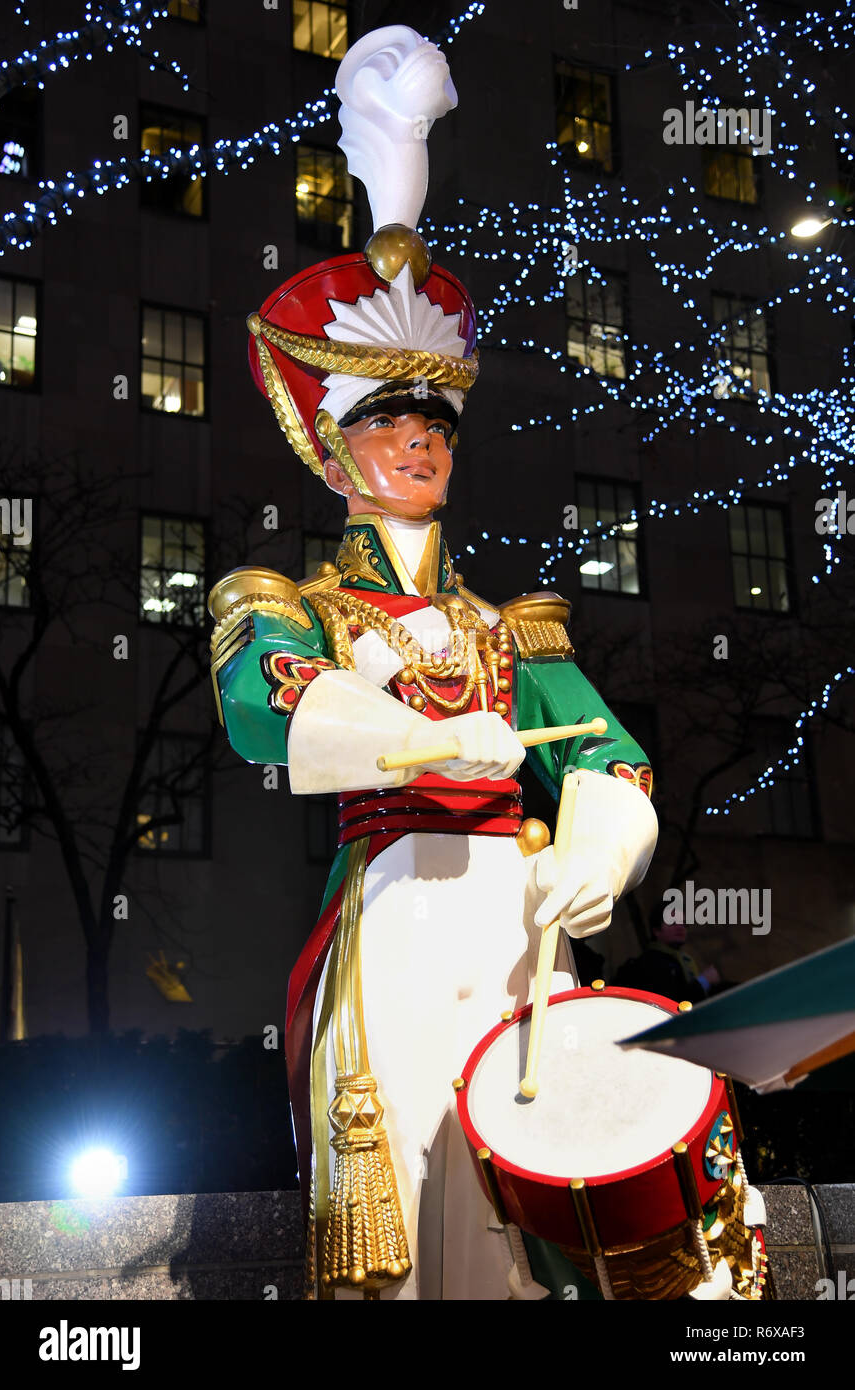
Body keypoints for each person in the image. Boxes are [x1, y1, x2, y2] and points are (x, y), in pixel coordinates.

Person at [207, 26, 658, 1300]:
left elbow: (611, 758)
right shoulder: (285, 603)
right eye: (385, 418)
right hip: (394, 926)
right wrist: (425, 738)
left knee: (535, 1221)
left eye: (434, 418)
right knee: (411, 1198)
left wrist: (596, 848)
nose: (416, 438)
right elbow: (273, 715)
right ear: (332, 447)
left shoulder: (517, 629)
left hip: (526, 934)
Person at [614, 906, 728, 1004]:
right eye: (672, 922)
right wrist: (704, 981)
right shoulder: (651, 962)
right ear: (656, 930)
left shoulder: (685, 960)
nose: (680, 927)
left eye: (684, 923)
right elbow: (673, 1002)